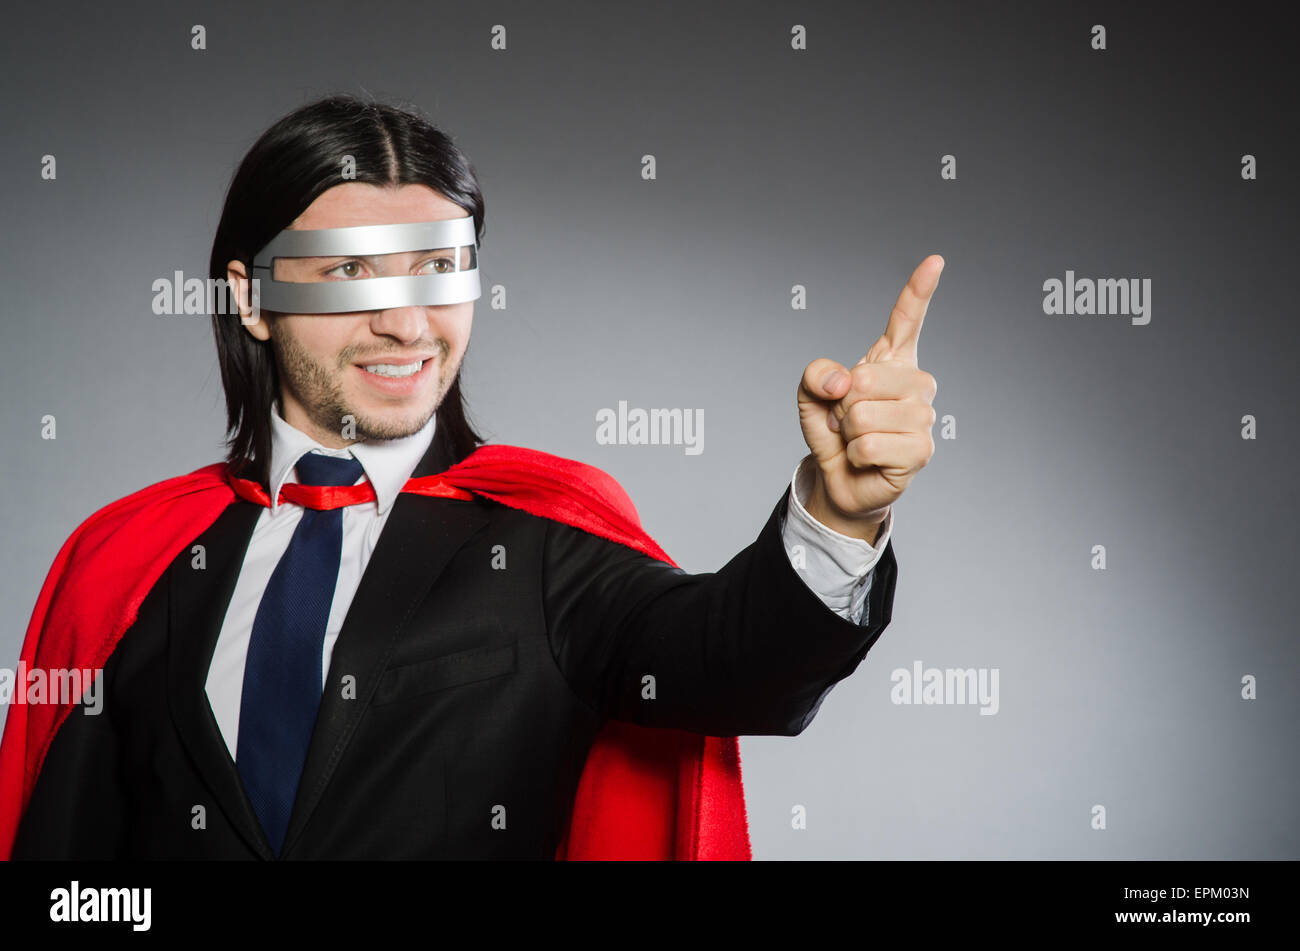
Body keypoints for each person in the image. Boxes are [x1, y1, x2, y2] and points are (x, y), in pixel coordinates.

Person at [0, 95, 941, 860]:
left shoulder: (543, 541)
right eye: (351, 275)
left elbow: (733, 663)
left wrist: (838, 513)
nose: (406, 326)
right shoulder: (130, 560)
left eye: (437, 272)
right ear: (254, 298)